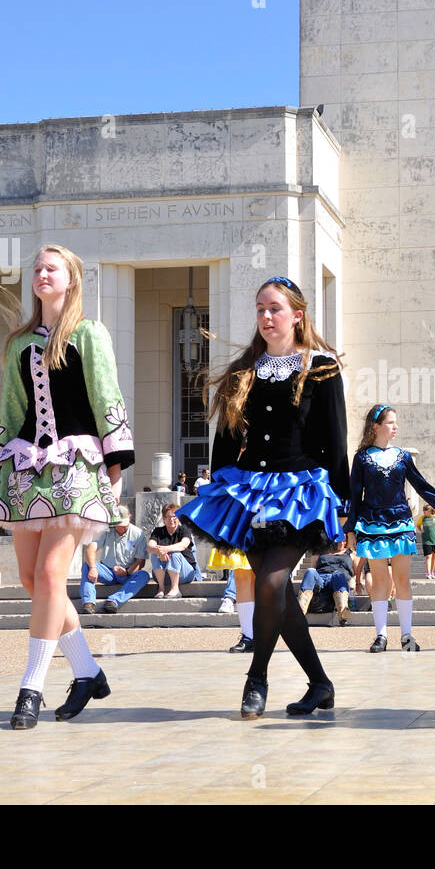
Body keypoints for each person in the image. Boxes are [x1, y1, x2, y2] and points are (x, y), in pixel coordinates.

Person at [177, 276, 349, 718]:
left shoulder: (321, 367)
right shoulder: (243, 370)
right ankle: (320, 684)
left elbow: (335, 439)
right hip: (247, 492)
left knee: (273, 583)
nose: (266, 317)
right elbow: (228, 434)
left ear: (297, 315)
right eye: (260, 309)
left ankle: (257, 677)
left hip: (300, 492)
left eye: (275, 308)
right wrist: (214, 483)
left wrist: (344, 505)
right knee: (280, 594)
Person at [0, 243, 134, 729]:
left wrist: (116, 471)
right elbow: (11, 408)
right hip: (26, 467)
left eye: (52, 268)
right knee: (31, 580)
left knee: (51, 576)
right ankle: (88, 671)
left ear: (71, 279)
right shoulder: (18, 342)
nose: (42, 274)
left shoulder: (89, 334)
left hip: (76, 465)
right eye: (37, 268)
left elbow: (106, 394)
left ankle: (31, 687)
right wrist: (1, 466)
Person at [348, 404, 435, 653]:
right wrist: (350, 528)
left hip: (401, 521)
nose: (396, 426)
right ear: (376, 426)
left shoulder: (403, 456)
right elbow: (353, 495)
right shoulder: (361, 458)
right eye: (391, 422)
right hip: (371, 524)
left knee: (402, 579)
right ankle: (381, 635)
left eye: (396, 422)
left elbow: (421, 485)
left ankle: (406, 635)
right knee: (380, 579)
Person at [81, 505, 149, 613]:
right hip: (108, 571)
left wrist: (127, 572)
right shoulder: (106, 530)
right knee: (87, 566)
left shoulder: (138, 534)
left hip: (128, 572)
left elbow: (140, 562)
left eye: (124, 525)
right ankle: (88, 602)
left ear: (130, 518)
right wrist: (93, 568)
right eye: (119, 525)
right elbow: (90, 549)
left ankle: (114, 601)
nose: (122, 528)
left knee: (144, 575)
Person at [147, 504, 199, 598]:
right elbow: (150, 546)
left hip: (184, 574)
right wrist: (159, 552)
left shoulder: (184, 530)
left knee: (174, 554)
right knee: (154, 555)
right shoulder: (158, 531)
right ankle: (161, 588)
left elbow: (183, 545)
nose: (171, 520)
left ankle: (175, 589)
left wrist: (166, 549)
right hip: (162, 576)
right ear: (163, 518)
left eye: (174, 517)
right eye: (168, 517)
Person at [297, 542, 354, 626]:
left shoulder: (352, 553)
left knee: (338, 574)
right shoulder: (321, 550)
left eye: (344, 539)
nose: (342, 542)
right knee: (310, 571)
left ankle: (343, 614)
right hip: (321, 578)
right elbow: (313, 567)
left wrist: (356, 582)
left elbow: (356, 573)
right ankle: (300, 612)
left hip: (338, 580)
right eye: (339, 539)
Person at [416, 503, 435, 579]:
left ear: (430, 510)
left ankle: (432, 573)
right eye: (423, 510)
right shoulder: (422, 518)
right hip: (426, 539)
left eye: (425, 510)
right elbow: (418, 525)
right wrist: (420, 530)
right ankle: (428, 573)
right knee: (428, 556)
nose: (424, 511)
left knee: (434, 556)